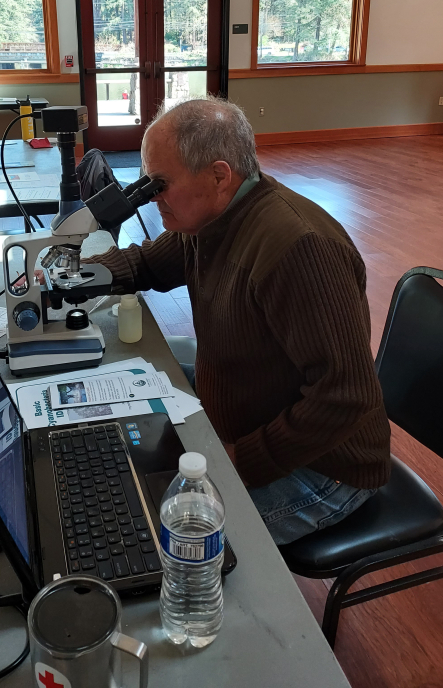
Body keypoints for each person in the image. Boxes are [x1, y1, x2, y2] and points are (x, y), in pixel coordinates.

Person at [87, 98, 391, 545]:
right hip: (244, 407)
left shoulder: (299, 249)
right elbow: (148, 263)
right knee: (115, 401)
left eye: (160, 183)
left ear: (218, 174)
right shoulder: (213, 217)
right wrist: (78, 275)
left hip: (324, 466)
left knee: (154, 541)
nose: (151, 198)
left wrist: (239, 461)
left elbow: (345, 396)